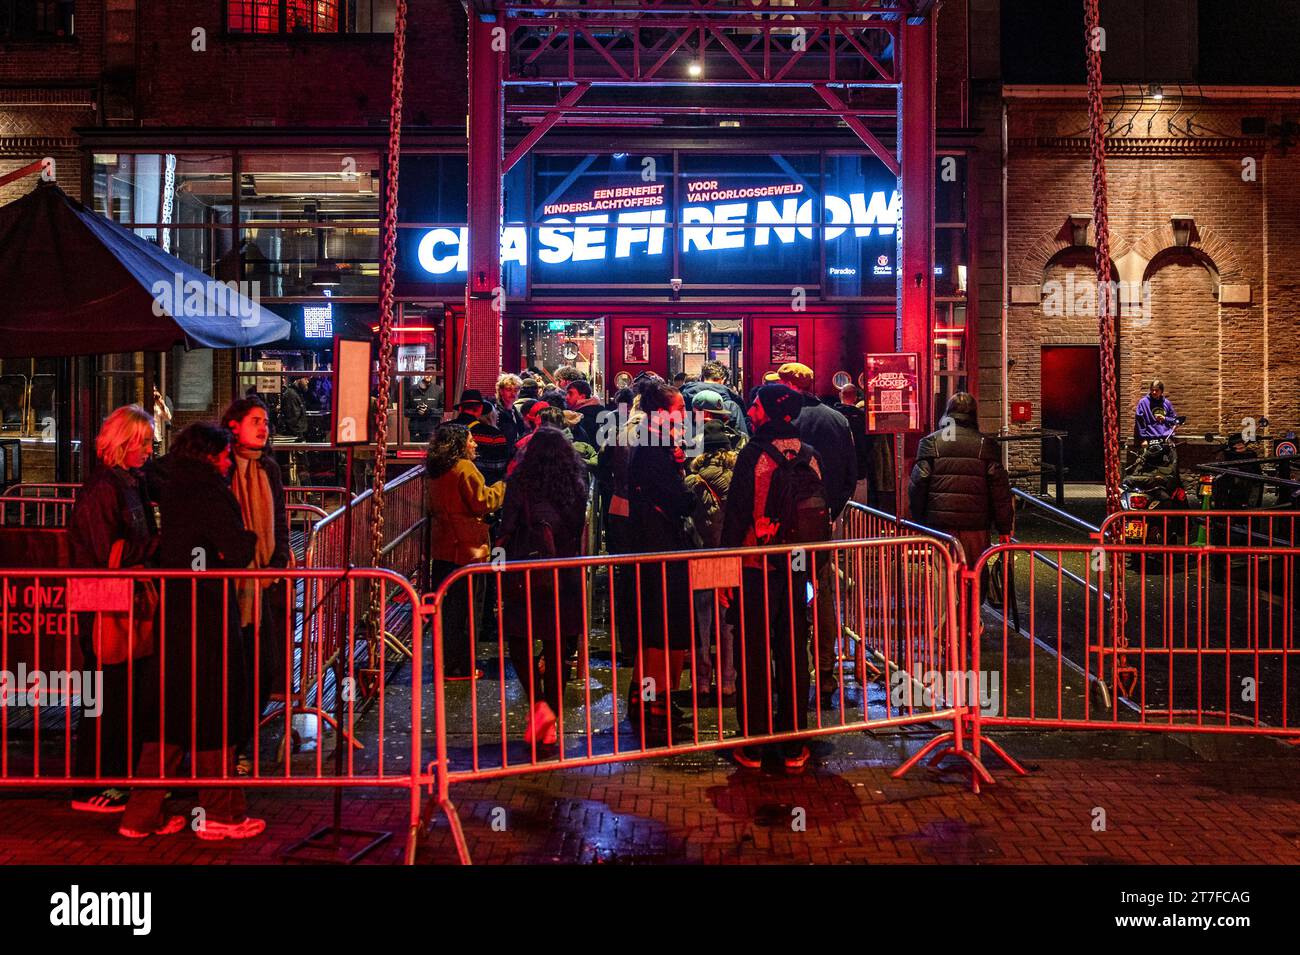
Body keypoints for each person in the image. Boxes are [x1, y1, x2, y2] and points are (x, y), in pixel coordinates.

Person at [119, 423, 267, 841]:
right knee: (213, 709)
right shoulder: (209, 492)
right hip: (206, 614)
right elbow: (236, 549)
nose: (227, 462)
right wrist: (247, 539)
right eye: (223, 455)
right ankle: (220, 813)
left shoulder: (172, 487)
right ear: (209, 455)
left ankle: (140, 815)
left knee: (170, 714)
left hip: (176, 610)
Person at [721, 384, 824, 774]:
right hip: (798, 570)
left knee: (754, 654)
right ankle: (795, 741)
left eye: (756, 404)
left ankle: (755, 742)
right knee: (795, 652)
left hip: (756, 568)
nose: (750, 410)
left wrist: (727, 569)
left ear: (767, 410)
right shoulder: (811, 456)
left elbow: (735, 519)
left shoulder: (753, 455)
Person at [68, 405, 160, 815]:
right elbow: (104, 551)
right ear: (123, 442)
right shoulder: (105, 489)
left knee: (121, 691)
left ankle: (116, 775)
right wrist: (148, 552)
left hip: (122, 601)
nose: (147, 448)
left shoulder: (129, 483)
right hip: (104, 604)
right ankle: (95, 782)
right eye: (141, 441)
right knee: (104, 693)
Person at [499, 427, 590, 746]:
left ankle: (538, 702)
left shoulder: (520, 481)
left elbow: (506, 526)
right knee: (555, 646)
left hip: (526, 570)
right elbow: (578, 525)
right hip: (564, 571)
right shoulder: (575, 484)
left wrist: (499, 563)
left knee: (519, 638)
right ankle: (550, 715)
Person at [777, 362, 856, 697]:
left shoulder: (784, 421)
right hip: (823, 520)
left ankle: (791, 671)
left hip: (786, 527)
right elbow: (850, 474)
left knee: (787, 596)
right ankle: (825, 670)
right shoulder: (837, 419)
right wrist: (830, 514)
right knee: (822, 594)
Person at [221, 397, 291, 776]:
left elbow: (278, 516)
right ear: (234, 426)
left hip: (261, 582)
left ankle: (242, 741)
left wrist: (278, 557)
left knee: (263, 668)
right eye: (255, 421)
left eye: (265, 421)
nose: (263, 427)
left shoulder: (269, 469)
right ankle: (229, 749)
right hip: (229, 586)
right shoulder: (221, 467)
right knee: (233, 669)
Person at [625, 381, 696, 741]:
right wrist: (694, 490)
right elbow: (673, 498)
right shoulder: (654, 447)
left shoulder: (649, 442)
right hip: (661, 543)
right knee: (664, 622)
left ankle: (643, 692)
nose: (684, 415)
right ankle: (658, 697)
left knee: (655, 620)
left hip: (651, 541)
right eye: (679, 408)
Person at [426, 423, 506, 678]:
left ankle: (448, 661)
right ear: (459, 444)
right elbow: (483, 501)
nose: (475, 444)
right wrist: (503, 486)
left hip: (443, 547)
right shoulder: (464, 468)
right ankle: (460, 666)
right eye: (471, 440)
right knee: (468, 610)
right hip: (467, 548)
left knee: (449, 611)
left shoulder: (436, 469)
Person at [907, 392, 1014, 571]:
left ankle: (946, 600)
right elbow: (1000, 491)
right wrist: (1004, 528)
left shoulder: (931, 442)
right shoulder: (985, 444)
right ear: (974, 413)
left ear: (948, 412)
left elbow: (919, 483)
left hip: (940, 524)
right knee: (974, 572)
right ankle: (973, 599)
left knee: (943, 574)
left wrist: (919, 519)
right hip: (976, 526)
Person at [684, 420, 738, 701]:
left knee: (701, 619)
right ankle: (729, 678)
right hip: (731, 552)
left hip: (702, 551)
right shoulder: (740, 475)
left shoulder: (694, 480)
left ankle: (702, 679)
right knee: (729, 620)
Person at [451, 389, 510, 485]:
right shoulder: (494, 435)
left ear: (460, 409)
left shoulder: (441, 429)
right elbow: (500, 468)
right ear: (480, 409)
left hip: (448, 490)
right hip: (482, 491)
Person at [833, 384, 876, 507]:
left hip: (838, 468)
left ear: (840, 395)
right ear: (855, 398)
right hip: (859, 468)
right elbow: (870, 444)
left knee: (839, 508)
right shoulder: (864, 418)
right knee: (859, 509)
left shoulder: (832, 416)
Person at [682, 360, 749, 437]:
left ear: (702, 378)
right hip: (723, 446)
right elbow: (743, 436)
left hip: (691, 446)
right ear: (723, 380)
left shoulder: (684, 397)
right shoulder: (732, 404)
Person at [1135, 378, 1179, 443]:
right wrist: (1143, 439)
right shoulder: (1143, 403)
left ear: (1161, 391)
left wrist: (1165, 418)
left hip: (1166, 438)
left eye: (1156, 390)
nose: (1154, 392)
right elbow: (1140, 421)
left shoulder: (1166, 403)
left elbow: (1175, 420)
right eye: (1152, 390)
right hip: (1151, 438)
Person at [565, 379, 604, 447]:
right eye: (567, 394)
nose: (566, 397)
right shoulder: (598, 410)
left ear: (582, 396)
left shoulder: (583, 417)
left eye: (570, 394)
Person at [494, 374, 526, 457]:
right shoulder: (496, 412)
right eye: (509, 390)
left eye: (516, 390)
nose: (513, 393)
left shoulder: (514, 411)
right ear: (501, 391)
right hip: (502, 456)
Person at [405, 375, 442, 443]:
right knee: (415, 452)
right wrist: (416, 411)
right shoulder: (411, 390)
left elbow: (443, 411)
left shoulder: (438, 390)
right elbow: (404, 411)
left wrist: (430, 411)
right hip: (416, 430)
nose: (428, 375)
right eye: (426, 373)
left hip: (433, 429)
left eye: (430, 373)